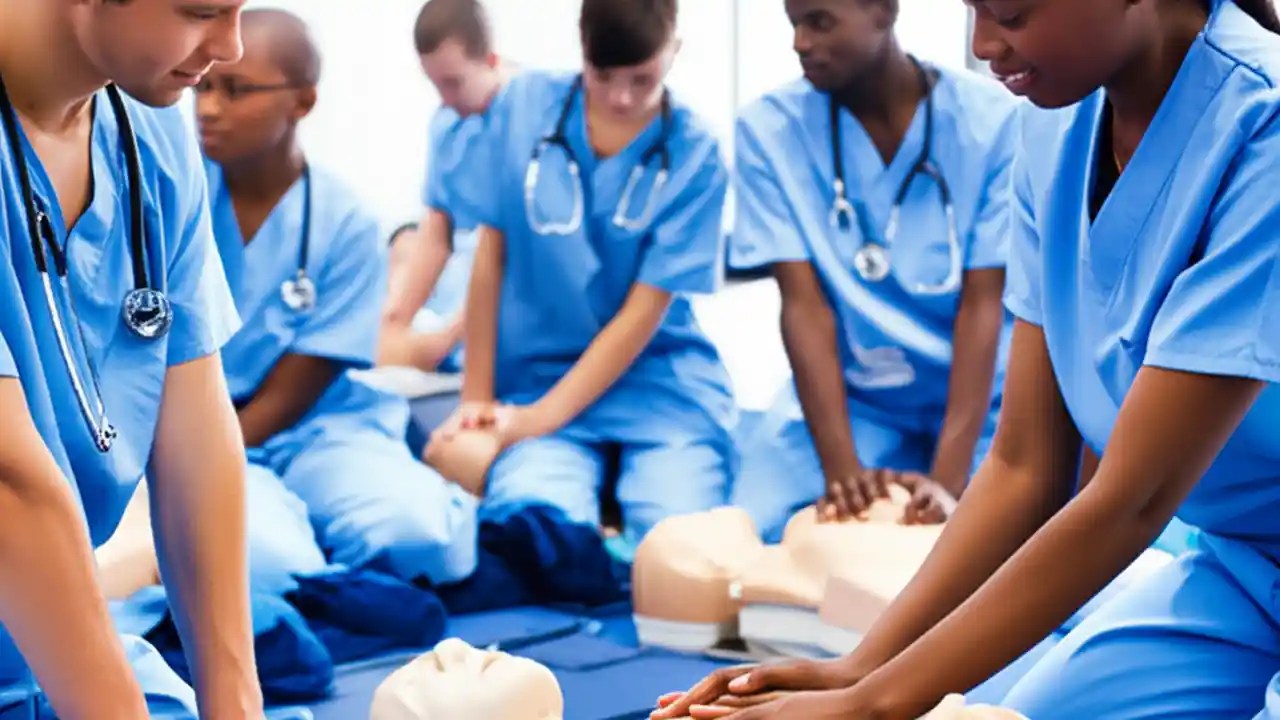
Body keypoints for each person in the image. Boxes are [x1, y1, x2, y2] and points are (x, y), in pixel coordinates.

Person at [653, 0, 1280, 717]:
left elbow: (1131, 500)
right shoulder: (1054, 125)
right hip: (1244, 565)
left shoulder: (1266, 127)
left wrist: (872, 706)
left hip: (1171, 523)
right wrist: (859, 667)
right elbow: (1025, 467)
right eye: (972, 10)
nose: (983, 45)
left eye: (1010, 12)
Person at [0, 1, 262, 717]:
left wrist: (235, 703)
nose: (232, 46)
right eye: (202, 10)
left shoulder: (152, 134)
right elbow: (10, 486)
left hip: (54, 649)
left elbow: (197, 435)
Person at [429, 0, 737, 552]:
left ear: (675, 51)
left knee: (677, 549)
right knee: (535, 531)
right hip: (538, 376)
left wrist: (534, 422)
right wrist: (475, 404)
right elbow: (489, 256)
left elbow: (642, 313)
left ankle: (622, 538)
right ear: (581, 52)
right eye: (602, 76)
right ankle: (593, 539)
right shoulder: (524, 106)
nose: (621, 97)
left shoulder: (696, 153)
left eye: (642, 79)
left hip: (656, 385)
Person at [195, 9, 478, 592]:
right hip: (191, 428)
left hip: (315, 423)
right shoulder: (172, 196)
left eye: (236, 89)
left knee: (420, 536)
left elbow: (303, 385)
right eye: (202, 85)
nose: (208, 109)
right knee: (266, 568)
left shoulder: (343, 221)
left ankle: (320, 530)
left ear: (302, 102)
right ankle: (307, 547)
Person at [726, 0, 1019, 542]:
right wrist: (843, 473)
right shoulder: (770, 130)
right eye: (793, 24)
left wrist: (947, 482)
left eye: (819, 21)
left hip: (979, 402)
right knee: (759, 528)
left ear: (883, 11)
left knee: (996, 543)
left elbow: (984, 303)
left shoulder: (992, 125)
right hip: (857, 400)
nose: (799, 44)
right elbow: (804, 305)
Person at [379, 0, 511, 373]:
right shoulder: (447, 125)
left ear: (491, 59)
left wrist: (448, 336)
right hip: (459, 283)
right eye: (436, 85)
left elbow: (510, 253)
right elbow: (436, 237)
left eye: (454, 83)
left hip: (502, 292)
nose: (446, 99)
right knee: (403, 246)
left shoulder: (532, 121)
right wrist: (394, 321)